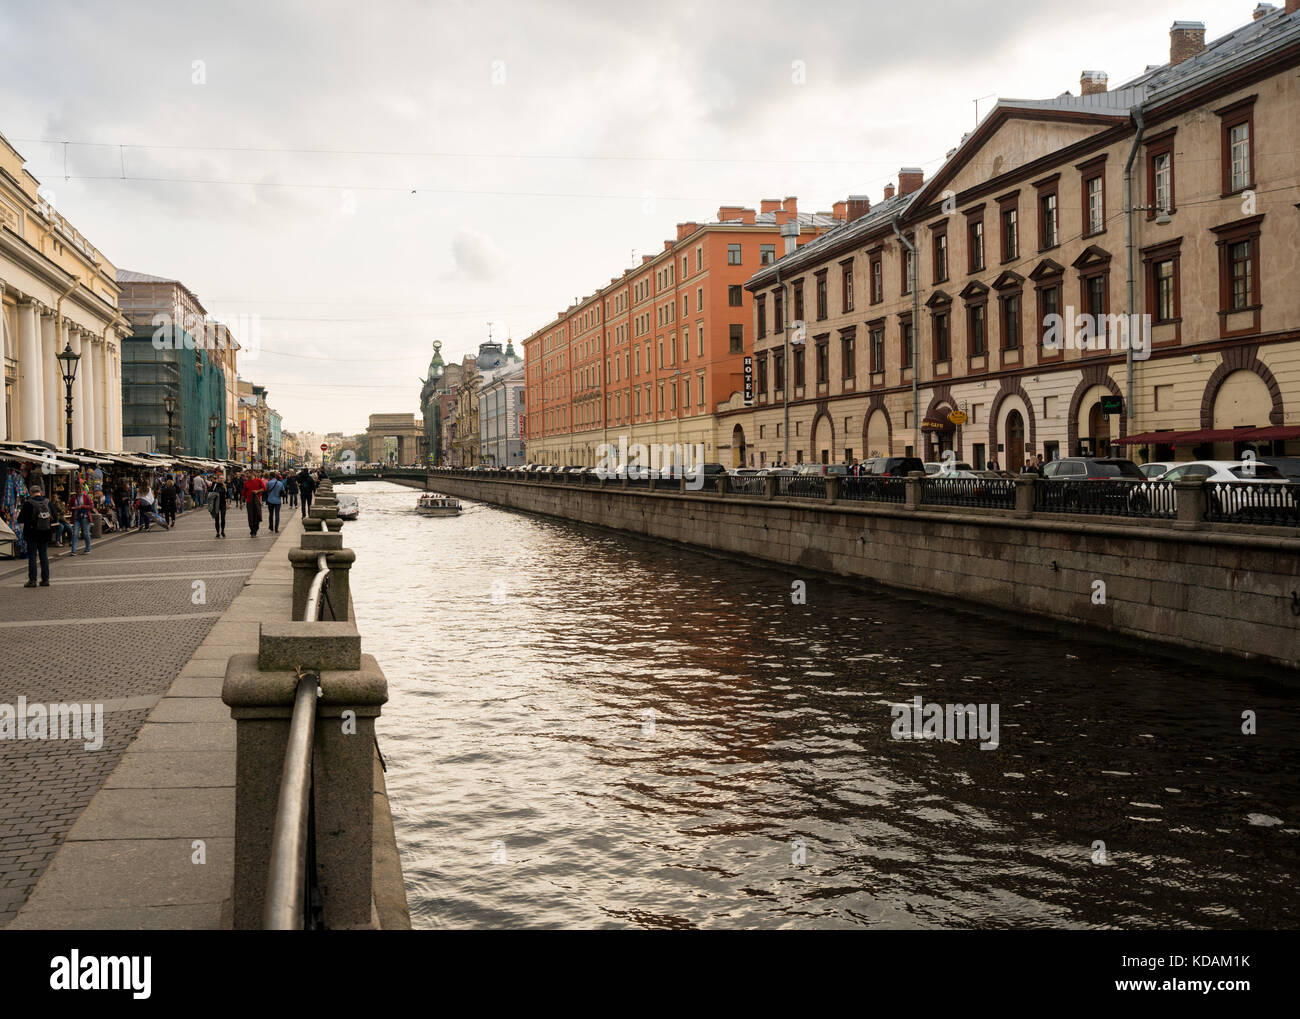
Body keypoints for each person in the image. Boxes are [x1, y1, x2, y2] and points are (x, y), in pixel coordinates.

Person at [18, 481, 53, 587]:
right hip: (45, 533)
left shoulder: (28, 503)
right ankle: (45, 579)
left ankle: (33, 580)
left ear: (30, 493)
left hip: (32, 534)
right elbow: (55, 517)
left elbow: (20, 519)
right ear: (40, 492)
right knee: (44, 557)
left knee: (32, 557)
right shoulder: (48, 502)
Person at [69, 483, 94, 555]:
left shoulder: (87, 497)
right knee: (75, 533)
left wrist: (82, 506)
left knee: (86, 533)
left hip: (85, 517)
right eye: (77, 489)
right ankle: (73, 551)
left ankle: (88, 549)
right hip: (76, 517)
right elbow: (69, 507)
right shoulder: (73, 498)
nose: (79, 491)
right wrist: (74, 508)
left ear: (83, 490)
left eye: (80, 489)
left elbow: (91, 506)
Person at [244, 471, 266, 536]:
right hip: (249, 502)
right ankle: (252, 530)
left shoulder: (258, 480)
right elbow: (243, 493)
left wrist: (257, 491)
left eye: (247, 473)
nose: (246, 474)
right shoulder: (246, 483)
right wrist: (240, 503)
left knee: (257, 515)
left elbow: (264, 488)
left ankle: (256, 528)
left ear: (252, 474)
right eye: (246, 473)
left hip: (256, 501)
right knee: (250, 516)